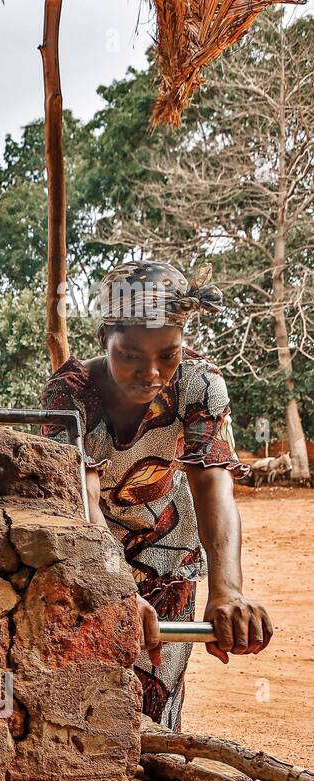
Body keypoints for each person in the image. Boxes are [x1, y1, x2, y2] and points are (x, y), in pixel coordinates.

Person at [41, 260, 274, 730]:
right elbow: (84, 500)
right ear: (104, 335)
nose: (151, 373)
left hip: (170, 542)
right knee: (86, 683)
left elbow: (214, 485)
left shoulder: (199, 383)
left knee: (157, 698)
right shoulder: (70, 394)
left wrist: (227, 589)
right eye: (130, 355)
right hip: (90, 543)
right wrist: (117, 589)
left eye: (166, 355)